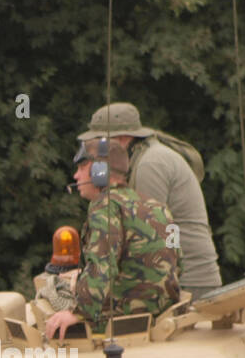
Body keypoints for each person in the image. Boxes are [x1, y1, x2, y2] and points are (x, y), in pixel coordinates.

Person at [76, 102, 222, 294]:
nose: (95, 149)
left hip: (188, 282)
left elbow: (148, 235)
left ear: (121, 139)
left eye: (100, 141)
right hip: (178, 277)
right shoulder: (145, 157)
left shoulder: (149, 164)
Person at [44, 140, 179, 340]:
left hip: (122, 320)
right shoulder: (159, 207)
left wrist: (77, 313)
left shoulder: (105, 206)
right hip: (162, 314)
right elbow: (178, 262)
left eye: (82, 167)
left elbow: (103, 264)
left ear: (100, 172)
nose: (76, 175)